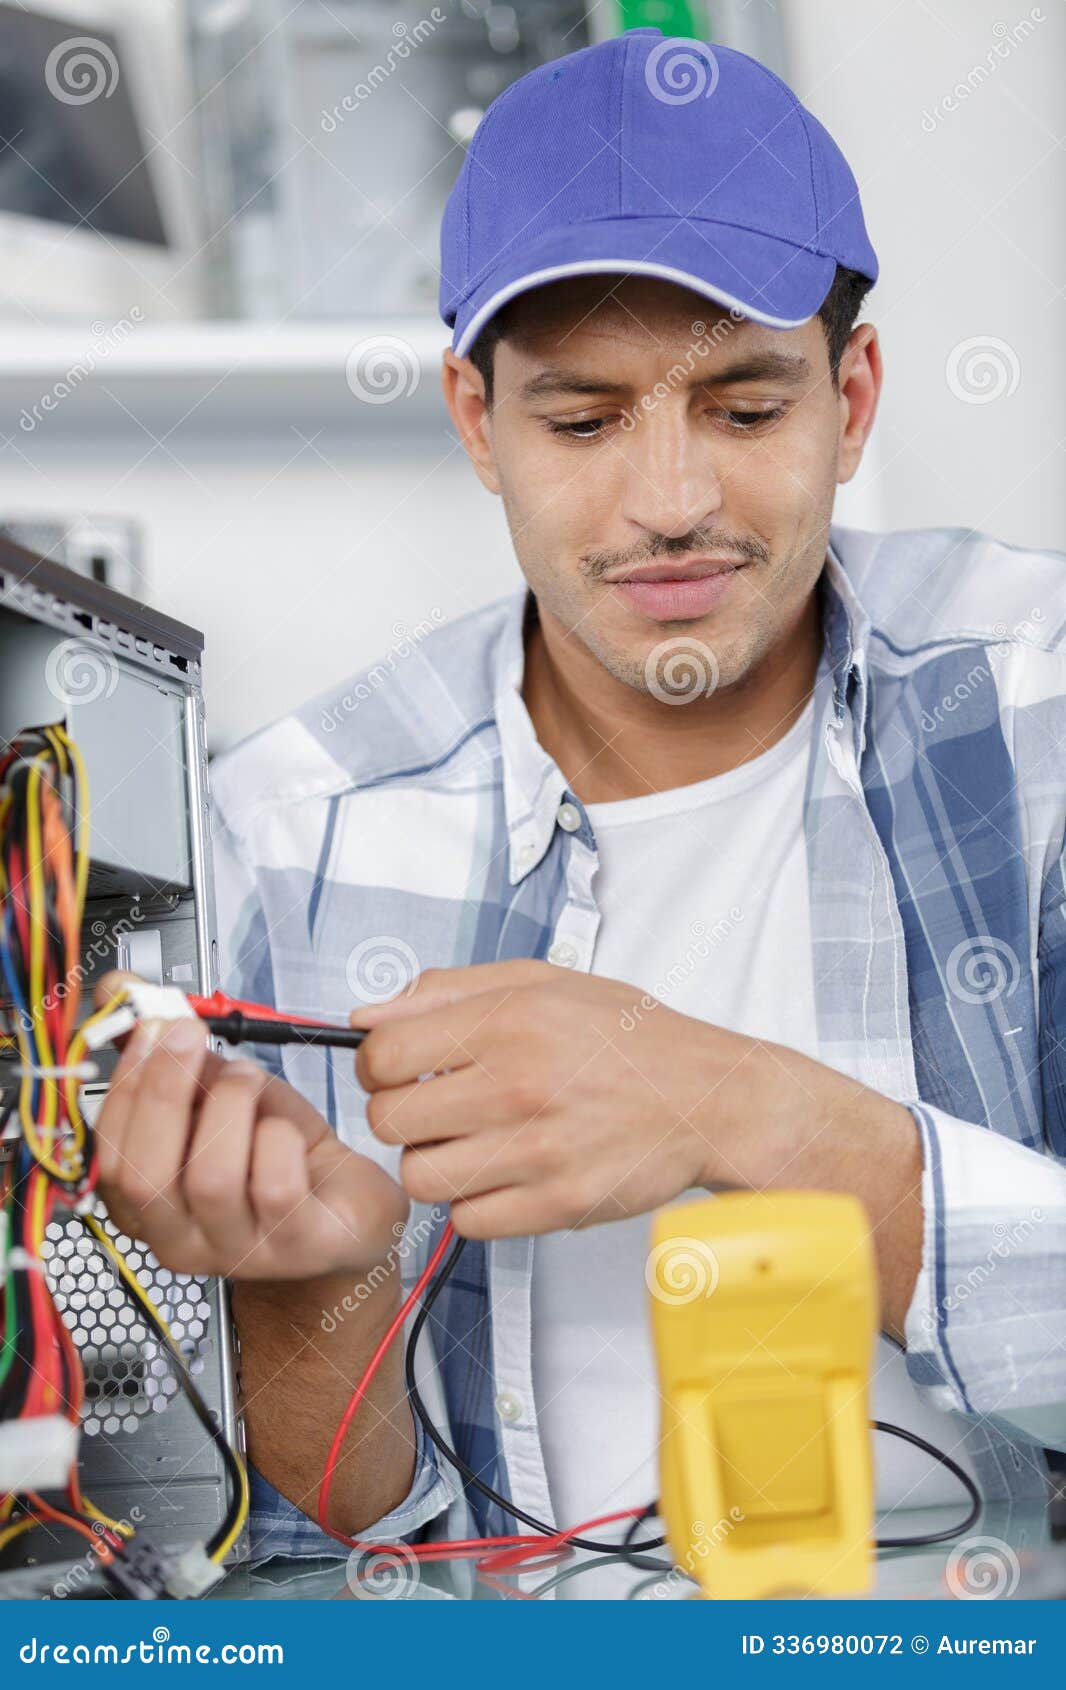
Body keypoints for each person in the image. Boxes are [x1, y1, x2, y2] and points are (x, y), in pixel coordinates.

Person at [95, 30, 1065, 1579]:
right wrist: (307, 1297)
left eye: (744, 410)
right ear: (477, 422)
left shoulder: (1036, 718)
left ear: (853, 396)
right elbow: (344, 1550)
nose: (669, 499)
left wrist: (728, 1103)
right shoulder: (288, 832)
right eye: (582, 419)